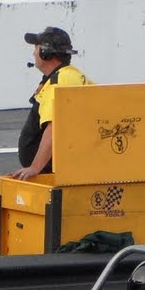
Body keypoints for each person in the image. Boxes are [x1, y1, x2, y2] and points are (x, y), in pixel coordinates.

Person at [10, 27, 89, 182]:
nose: (33, 53)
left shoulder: (58, 82)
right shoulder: (70, 75)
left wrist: (35, 167)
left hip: (56, 171)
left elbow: (54, 128)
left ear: (46, 53)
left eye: (36, 48)